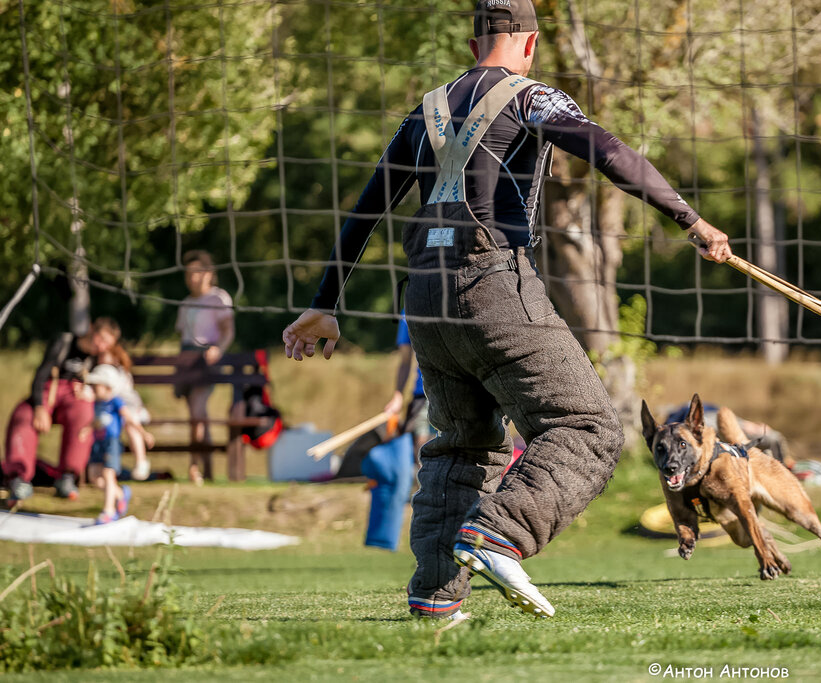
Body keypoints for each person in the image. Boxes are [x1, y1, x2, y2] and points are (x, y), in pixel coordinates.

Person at [282, 0, 732, 621]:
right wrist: (692, 219)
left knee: (461, 445)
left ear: (472, 46)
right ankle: (501, 534)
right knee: (589, 428)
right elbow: (609, 152)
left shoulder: (427, 108)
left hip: (426, 300)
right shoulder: (533, 97)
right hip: (494, 284)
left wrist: (324, 304)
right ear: (532, 43)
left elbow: (366, 207)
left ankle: (436, 602)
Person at [3, 318, 121, 507]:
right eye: (101, 339)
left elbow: (108, 386)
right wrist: (39, 407)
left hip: (74, 398)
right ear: (92, 330)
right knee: (23, 416)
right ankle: (19, 477)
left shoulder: (98, 357)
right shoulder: (64, 342)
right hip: (49, 391)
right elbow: (41, 374)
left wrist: (88, 392)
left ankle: (68, 476)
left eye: (107, 344)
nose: (102, 346)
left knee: (83, 414)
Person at [175, 250, 234, 485]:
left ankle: (193, 466)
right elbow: (183, 334)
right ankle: (207, 469)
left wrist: (218, 349)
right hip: (187, 360)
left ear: (209, 274)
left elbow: (228, 331)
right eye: (189, 273)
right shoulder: (186, 302)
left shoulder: (219, 298)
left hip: (207, 361)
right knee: (198, 415)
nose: (193, 278)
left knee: (198, 413)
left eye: (197, 272)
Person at [83, 365, 152, 524]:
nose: (93, 388)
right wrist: (87, 429)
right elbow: (96, 421)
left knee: (108, 474)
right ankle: (121, 494)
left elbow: (129, 419)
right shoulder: (96, 403)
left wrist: (143, 433)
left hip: (111, 442)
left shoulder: (116, 402)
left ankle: (108, 511)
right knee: (94, 477)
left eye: (96, 385)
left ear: (108, 386)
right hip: (97, 443)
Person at [382, 311, 436, 463]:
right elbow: (405, 360)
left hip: (458, 390)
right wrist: (398, 395)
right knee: (422, 450)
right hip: (422, 394)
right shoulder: (409, 310)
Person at [100, 345, 155, 481]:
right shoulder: (102, 371)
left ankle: (141, 461)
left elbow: (114, 392)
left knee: (131, 426)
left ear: (115, 357)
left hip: (129, 407)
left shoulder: (120, 373)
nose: (101, 358)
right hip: (114, 410)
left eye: (104, 355)